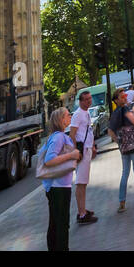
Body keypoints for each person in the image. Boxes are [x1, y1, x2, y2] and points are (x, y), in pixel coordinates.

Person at [41, 107, 80, 251]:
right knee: (62, 224)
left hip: (58, 186)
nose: (70, 116)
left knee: (55, 223)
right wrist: (71, 155)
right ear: (61, 119)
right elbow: (49, 160)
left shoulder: (57, 136)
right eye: (68, 115)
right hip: (59, 188)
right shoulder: (58, 137)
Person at [108, 86, 134, 211]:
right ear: (117, 100)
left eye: (125, 96)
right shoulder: (126, 109)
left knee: (125, 173)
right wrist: (132, 109)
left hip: (123, 147)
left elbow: (110, 131)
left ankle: (122, 202)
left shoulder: (115, 113)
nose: (125, 97)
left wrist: (118, 141)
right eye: (122, 96)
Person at [68, 90, 98, 225]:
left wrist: (92, 147)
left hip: (86, 150)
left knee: (83, 183)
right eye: (86, 99)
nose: (89, 101)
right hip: (82, 152)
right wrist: (76, 152)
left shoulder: (86, 113)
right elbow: (72, 135)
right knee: (80, 183)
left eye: (90, 98)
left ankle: (82, 210)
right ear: (80, 101)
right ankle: (81, 214)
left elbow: (88, 133)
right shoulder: (78, 114)